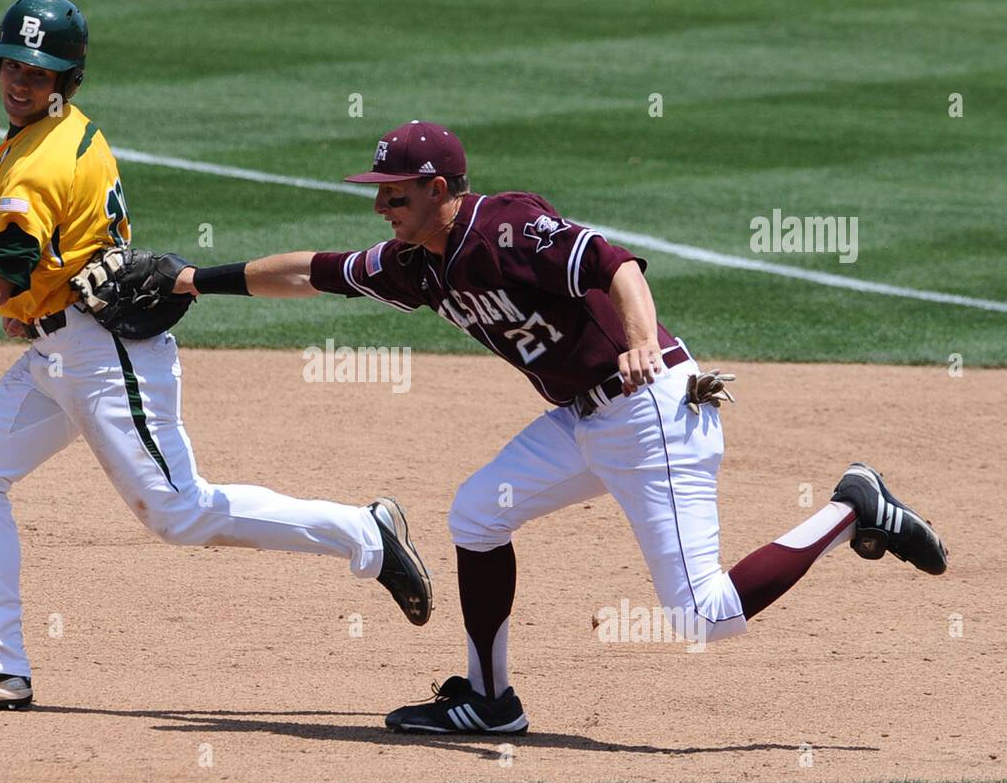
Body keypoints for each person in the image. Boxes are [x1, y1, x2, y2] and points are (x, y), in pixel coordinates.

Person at [159, 119, 948, 734]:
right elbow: (310, 270)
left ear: (438, 188)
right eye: (379, 193)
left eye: (394, 193)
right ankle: (489, 700)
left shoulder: (508, 227)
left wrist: (642, 340)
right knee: (477, 513)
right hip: (581, 421)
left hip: (653, 415)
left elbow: (616, 262)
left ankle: (853, 507)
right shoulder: (414, 261)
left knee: (706, 616)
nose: (380, 206)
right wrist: (197, 281)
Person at [0, 0, 431, 710]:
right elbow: (50, 262)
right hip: (60, 350)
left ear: (67, 79)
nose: (21, 83)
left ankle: (364, 532)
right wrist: (33, 311)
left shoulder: (36, 163)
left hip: (103, 356)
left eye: (40, 72)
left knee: (180, 514)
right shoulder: (60, 136)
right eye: (13, 67)